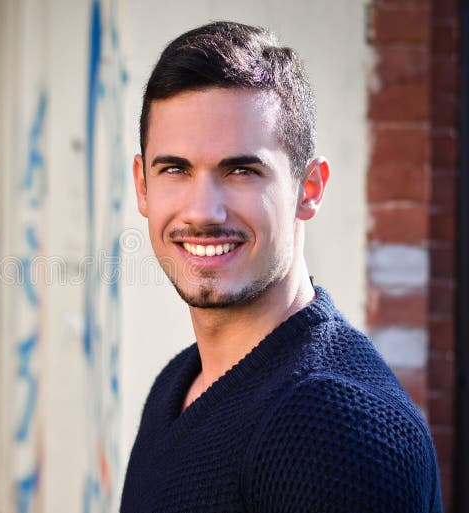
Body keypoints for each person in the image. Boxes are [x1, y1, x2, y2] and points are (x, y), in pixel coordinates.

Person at [120, 21, 442, 513]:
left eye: (242, 170)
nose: (203, 211)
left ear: (308, 188)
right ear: (143, 185)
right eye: (176, 169)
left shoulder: (335, 430)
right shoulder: (177, 384)